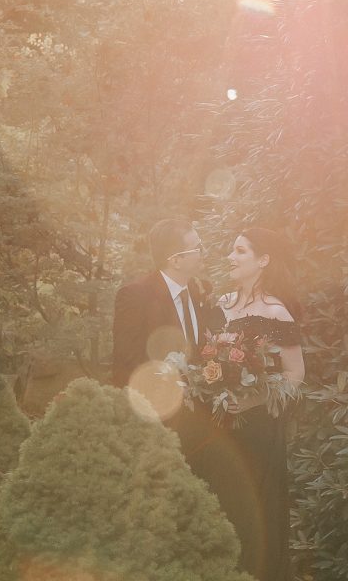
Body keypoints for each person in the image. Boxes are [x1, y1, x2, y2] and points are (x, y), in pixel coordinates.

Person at [202, 227, 305, 581]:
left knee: (254, 515)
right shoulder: (221, 305)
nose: (230, 256)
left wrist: (252, 400)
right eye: (231, 250)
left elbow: (295, 375)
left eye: (240, 250)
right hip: (218, 426)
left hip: (258, 429)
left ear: (263, 260)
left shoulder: (276, 312)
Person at [112, 217, 217, 464]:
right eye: (197, 248)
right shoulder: (135, 296)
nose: (204, 253)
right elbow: (126, 360)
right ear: (176, 260)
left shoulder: (200, 291)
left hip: (200, 427)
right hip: (155, 424)